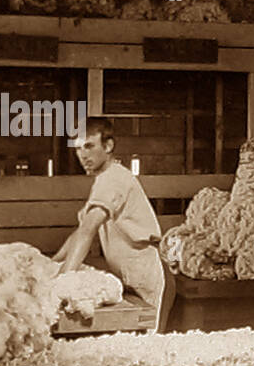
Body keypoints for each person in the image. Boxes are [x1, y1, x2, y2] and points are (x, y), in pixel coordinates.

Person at [54, 117, 174, 332]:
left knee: (150, 344)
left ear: (108, 146)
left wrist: (61, 280)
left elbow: (88, 231)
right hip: (130, 276)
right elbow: (82, 230)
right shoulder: (104, 179)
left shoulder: (114, 179)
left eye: (90, 146)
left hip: (150, 276)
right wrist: (54, 263)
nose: (83, 155)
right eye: (78, 148)